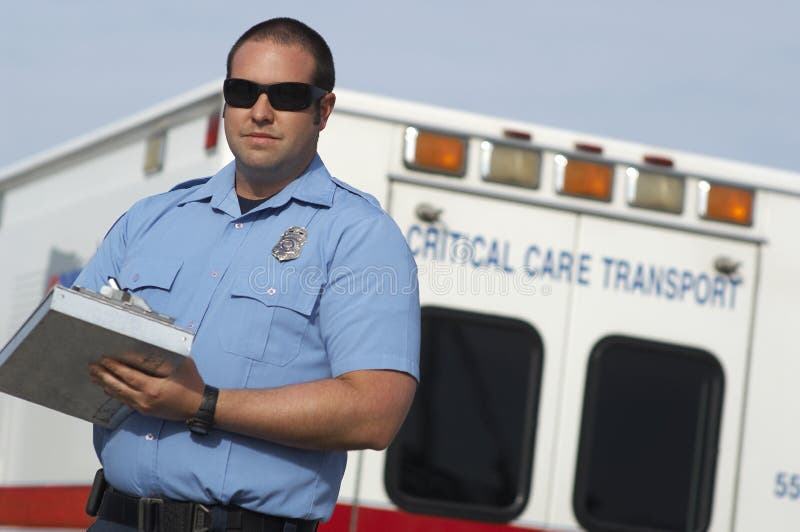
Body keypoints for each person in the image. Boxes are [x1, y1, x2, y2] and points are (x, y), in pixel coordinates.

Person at [76, 17, 420, 532]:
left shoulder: (361, 236)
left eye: (286, 95)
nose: (260, 112)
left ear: (322, 110)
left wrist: (202, 403)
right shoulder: (150, 218)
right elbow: (68, 348)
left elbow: (375, 412)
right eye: (243, 91)